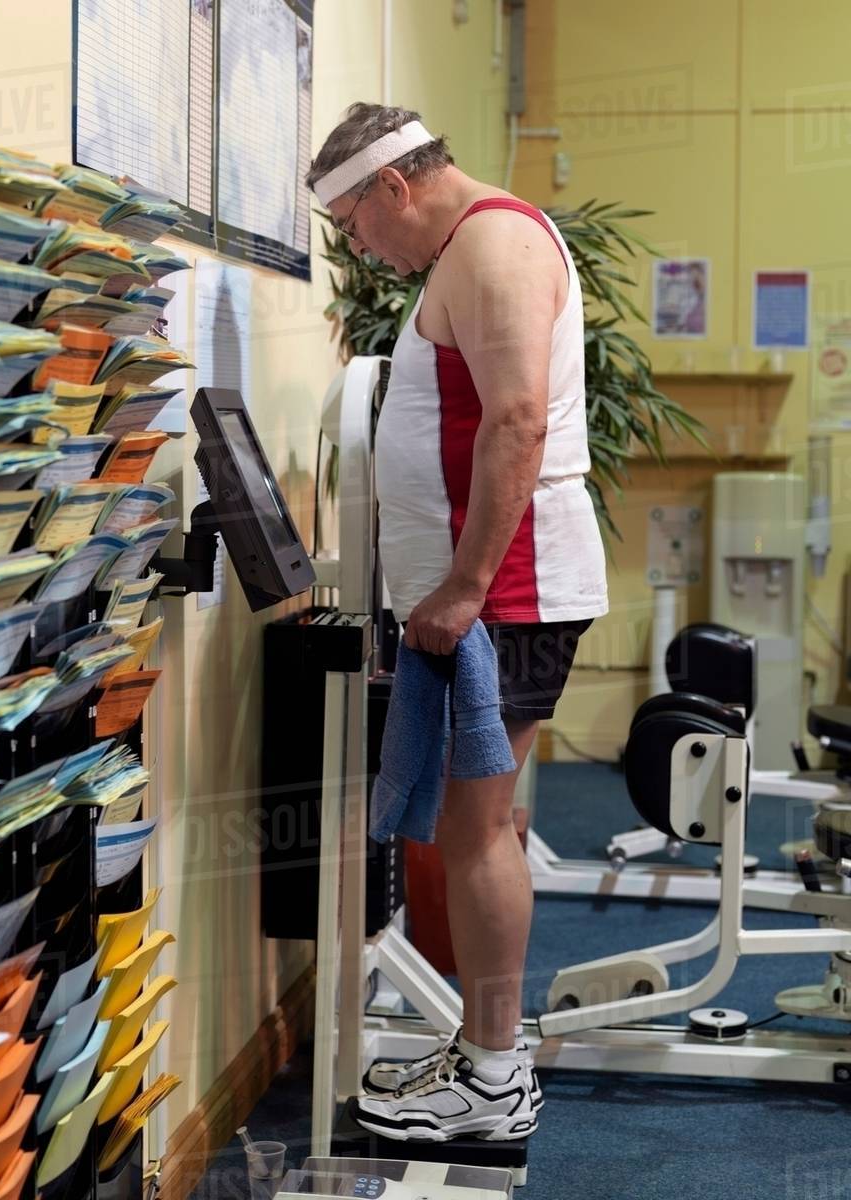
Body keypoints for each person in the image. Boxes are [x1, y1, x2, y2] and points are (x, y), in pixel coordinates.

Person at [306, 103, 608, 1142]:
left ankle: (491, 1078)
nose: (358, 245)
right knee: (476, 829)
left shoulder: (493, 242)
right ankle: (482, 1055)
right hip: (486, 590)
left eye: (352, 222)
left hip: (506, 591)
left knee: (476, 835)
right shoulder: (469, 249)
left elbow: (519, 416)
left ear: (394, 186)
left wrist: (468, 584)